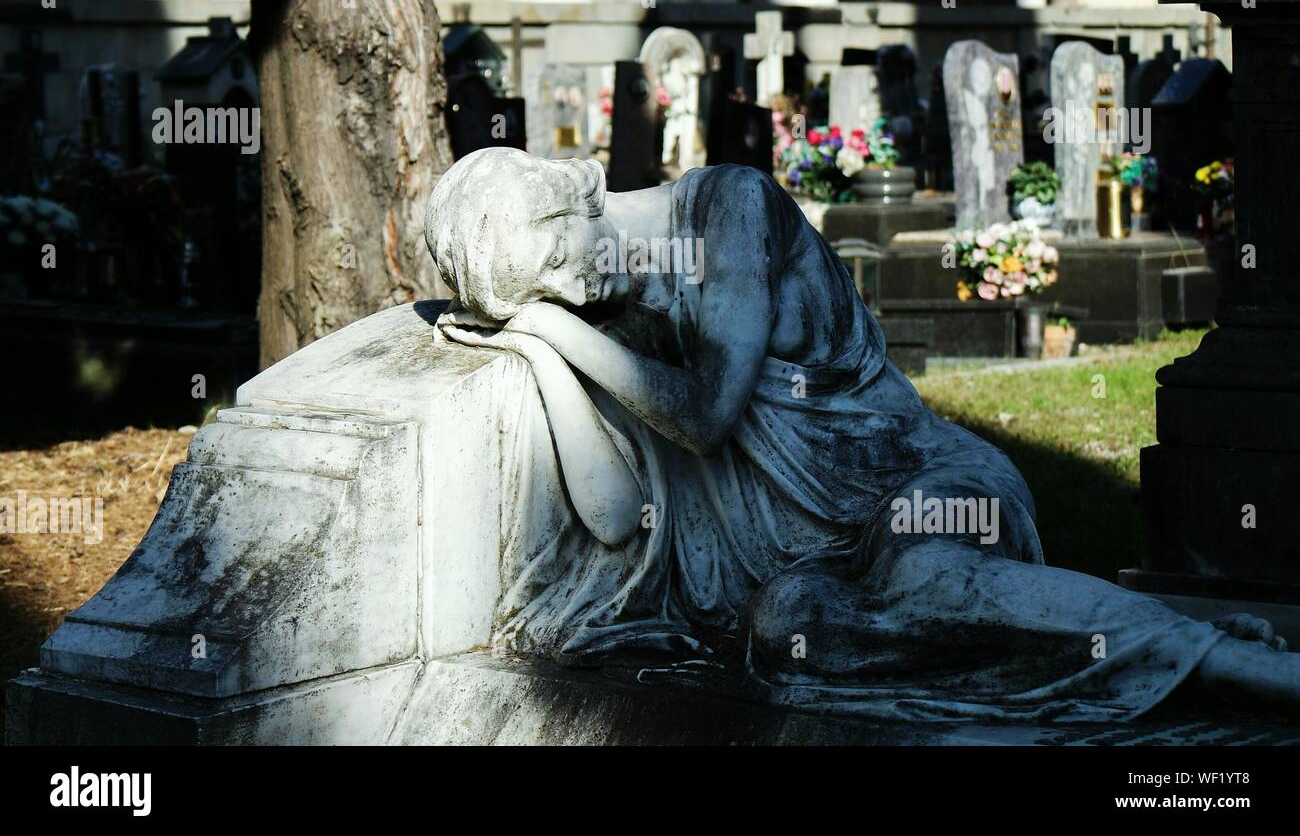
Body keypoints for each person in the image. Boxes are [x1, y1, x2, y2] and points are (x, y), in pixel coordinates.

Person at [427, 147, 1299, 721]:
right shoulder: (605, 320)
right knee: (785, 629)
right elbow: (615, 517)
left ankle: (1223, 662)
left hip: (926, 492)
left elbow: (705, 415)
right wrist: (538, 346)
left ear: (572, 197)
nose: (570, 293)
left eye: (552, 266)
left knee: (928, 574)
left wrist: (557, 332)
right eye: (545, 294)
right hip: (823, 570)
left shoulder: (732, 207)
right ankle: (1117, 640)